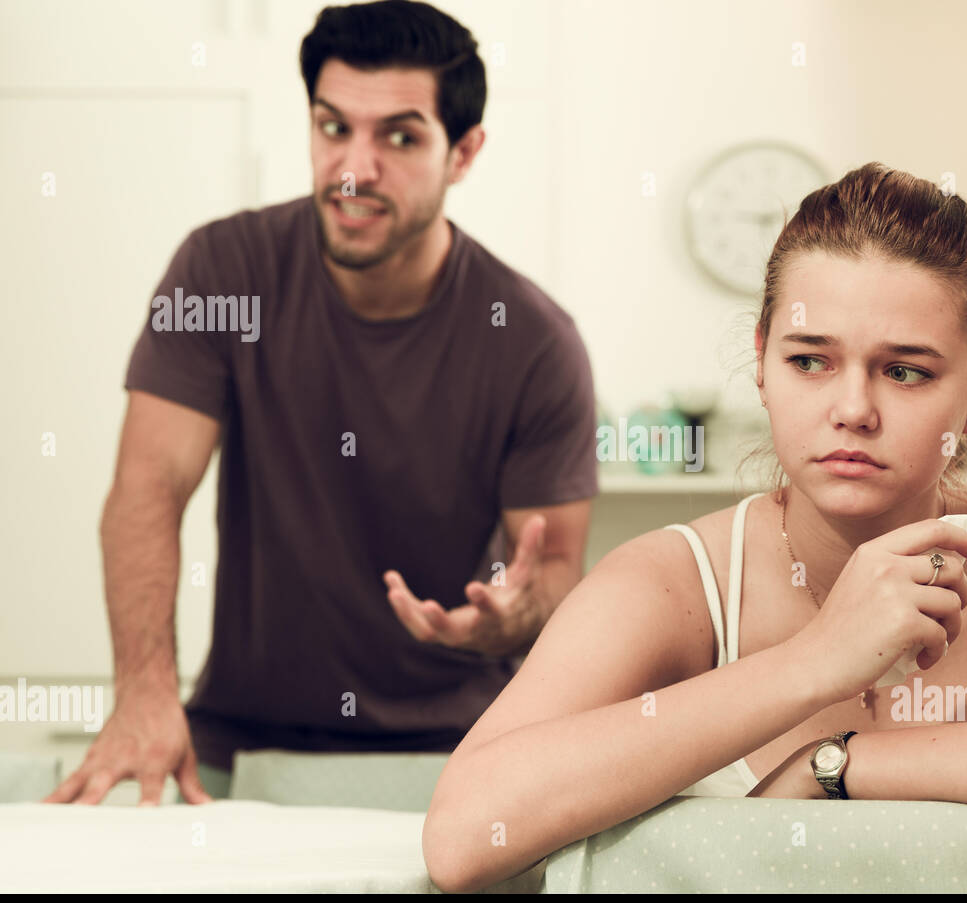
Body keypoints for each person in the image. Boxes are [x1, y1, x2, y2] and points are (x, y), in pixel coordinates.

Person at [420, 161, 967, 893]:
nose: (851, 409)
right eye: (809, 360)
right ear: (761, 363)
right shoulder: (673, 583)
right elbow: (464, 840)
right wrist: (816, 662)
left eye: (904, 370)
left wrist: (845, 764)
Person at [45, 0, 596, 807]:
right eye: (333, 127)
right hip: (244, 738)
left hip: (458, 750)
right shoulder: (221, 271)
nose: (353, 167)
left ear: (464, 152)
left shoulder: (534, 340)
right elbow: (147, 492)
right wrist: (142, 692)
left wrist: (507, 618)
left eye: (400, 137)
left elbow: (551, 569)